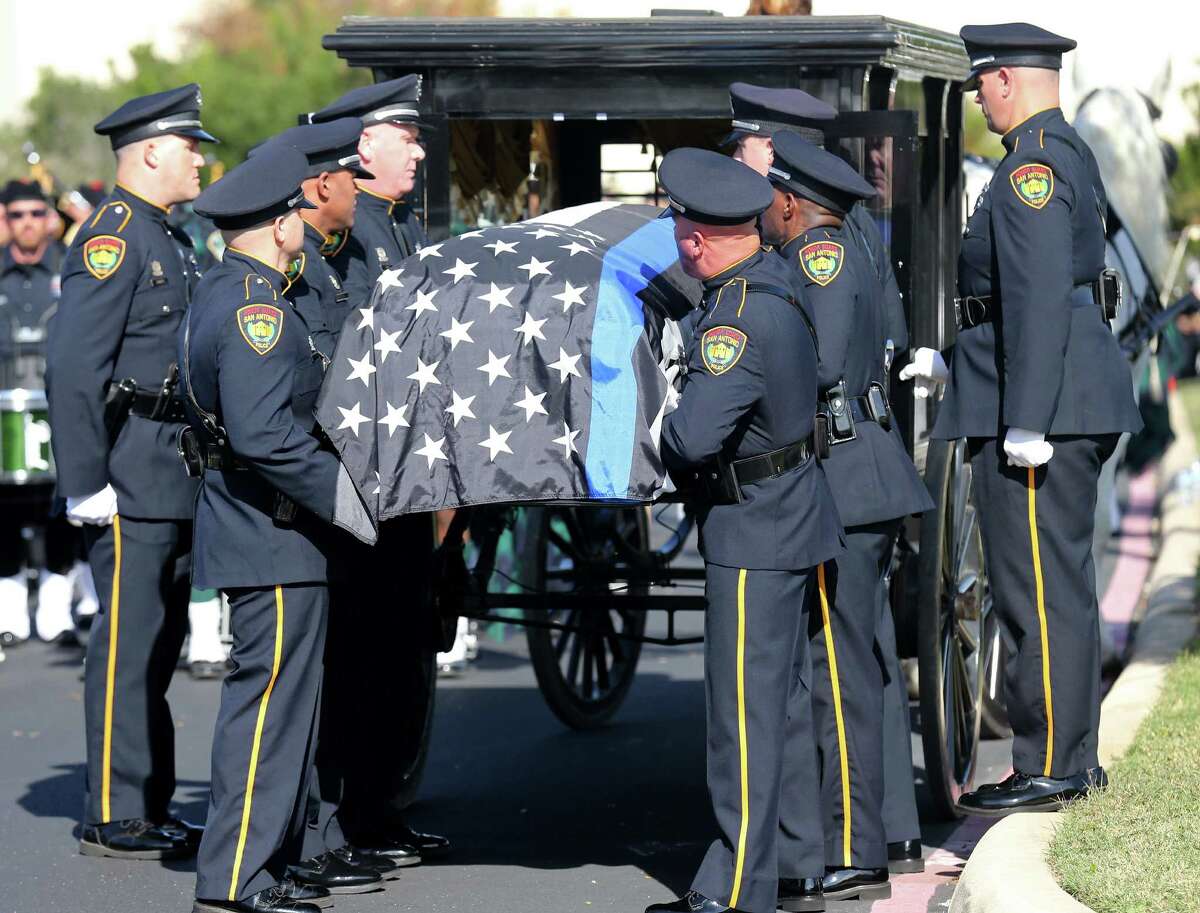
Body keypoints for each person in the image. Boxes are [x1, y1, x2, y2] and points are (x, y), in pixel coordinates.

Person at [899, 23, 1143, 814]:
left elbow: (1037, 299)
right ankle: (1067, 756)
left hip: (1047, 405)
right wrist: (956, 357)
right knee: (1054, 585)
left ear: (1004, 79)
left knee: (1035, 590)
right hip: (1053, 392)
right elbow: (1016, 300)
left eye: (982, 87)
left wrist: (1026, 418)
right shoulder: (1055, 152)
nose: (982, 102)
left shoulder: (1032, 166)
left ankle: (1053, 763)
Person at [727, 81, 925, 875]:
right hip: (868, 465)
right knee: (863, 658)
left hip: (841, 474)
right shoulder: (857, 235)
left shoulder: (818, 248)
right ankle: (884, 828)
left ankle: (852, 845)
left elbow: (823, 374)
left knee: (836, 672)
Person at [648, 147, 844, 913]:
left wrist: (659, 419)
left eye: (680, 231)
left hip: (753, 532)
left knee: (742, 719)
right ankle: (795, 866)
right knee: (785, 708)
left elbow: (693, 439)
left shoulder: (733, 319)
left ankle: (735, 887)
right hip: (791, 516)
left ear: (697, 239)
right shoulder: (780, 285)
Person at [182, 144, 368, 913]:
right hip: (273, 532)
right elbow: (265, 436)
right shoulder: (255, 309)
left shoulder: (230, 288)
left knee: (290, 711)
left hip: (270, 532)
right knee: (266, 711)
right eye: (294, 212)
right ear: (276, 225)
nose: (302, 222)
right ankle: (234, 879)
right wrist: (348, 501)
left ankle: (269, 861)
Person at [46, 84, 216, 860]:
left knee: (159, 642)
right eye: (191, 146)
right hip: (128, 469)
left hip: (169, 466)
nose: (201, 160)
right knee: (129, 645)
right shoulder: (114, 235)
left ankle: (147, 797)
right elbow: (75, 364)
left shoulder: (170, 237)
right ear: (152, 151)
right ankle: (118, 808)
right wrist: (83, 478)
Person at [247, 117, 399, 895]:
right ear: (315, 189)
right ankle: (283, 847)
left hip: (338, 495)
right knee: (293, 687)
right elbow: (271, 421)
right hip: (305, 503)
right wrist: (341, 492)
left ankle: (313, 834)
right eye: (344, 177)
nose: (352, 188)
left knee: (335, 677)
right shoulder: (271, 289)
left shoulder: (327, 264)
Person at [303, 75, 451, 863]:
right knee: (358, 654)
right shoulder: (347, 234)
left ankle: (380, 808)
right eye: (409, 136)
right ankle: (344, 818)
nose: (420, 149)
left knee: (400, 647)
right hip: (361, 478)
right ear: (367, 146)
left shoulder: (393, 229)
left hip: (402, 480)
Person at [0, 179, 82, 645]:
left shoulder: (71, 270)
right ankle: (9, 611)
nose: (27, 223)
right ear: (5, 220)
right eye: (17, 215)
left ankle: (56, 611)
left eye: (35, 213)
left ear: (50, 219)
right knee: (4, 510)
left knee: (60, 503)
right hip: (4, 407)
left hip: (57, 407)